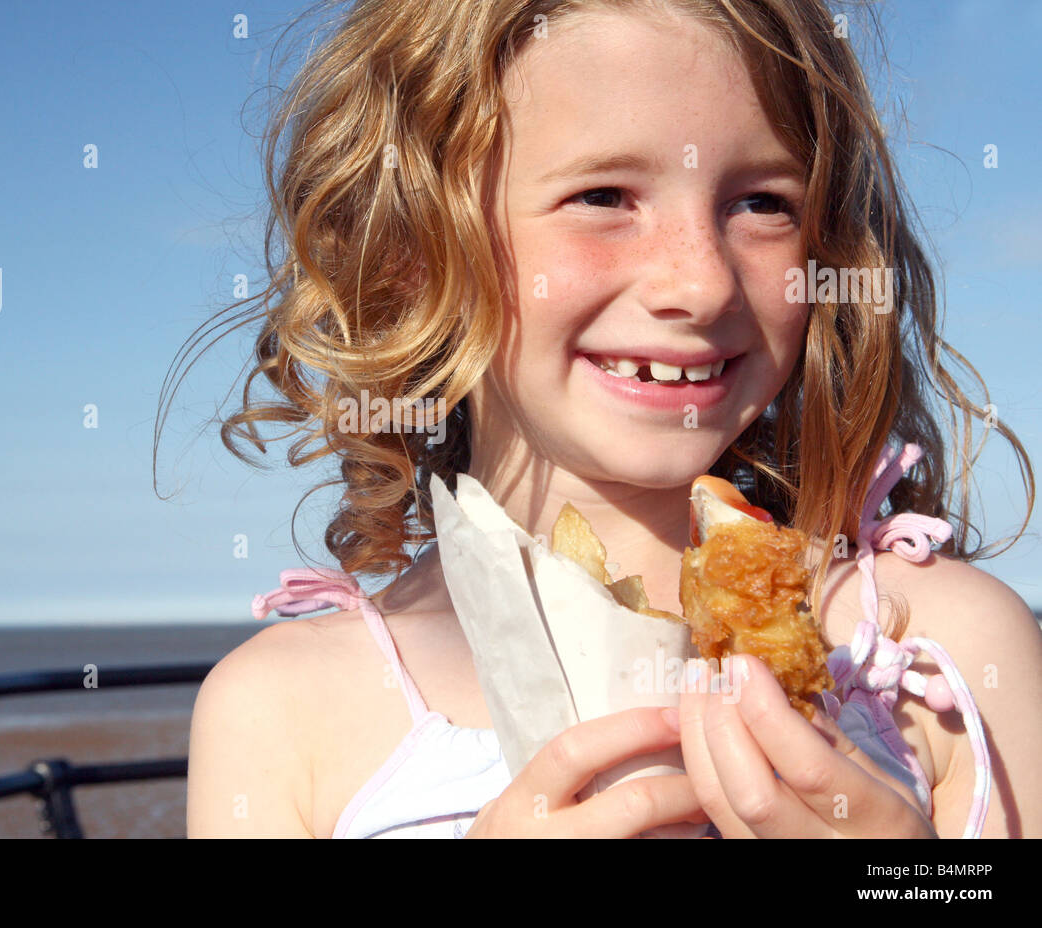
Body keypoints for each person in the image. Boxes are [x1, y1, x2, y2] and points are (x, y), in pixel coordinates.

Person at [175, 0, 1040, 838]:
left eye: (762, 203)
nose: (699, 283)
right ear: (410, 250)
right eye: (603, 196)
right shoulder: (283, 713)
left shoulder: (936, 654)